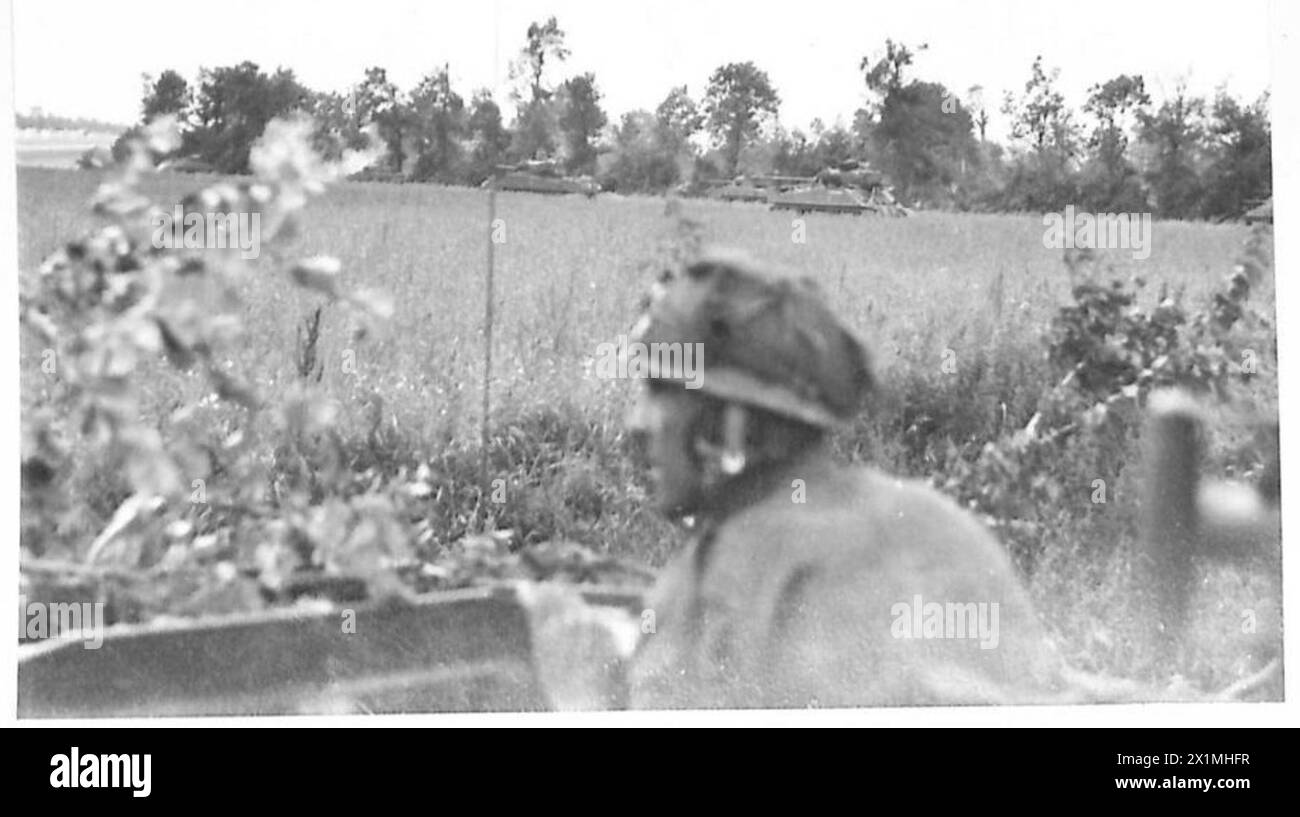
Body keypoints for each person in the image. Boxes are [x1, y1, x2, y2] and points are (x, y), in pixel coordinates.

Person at [523, 250, 1078, 709]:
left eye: (662, 395)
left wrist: (583, 701)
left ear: (733, 421)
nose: (636, 427)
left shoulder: (734, 570)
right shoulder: (932, 519)